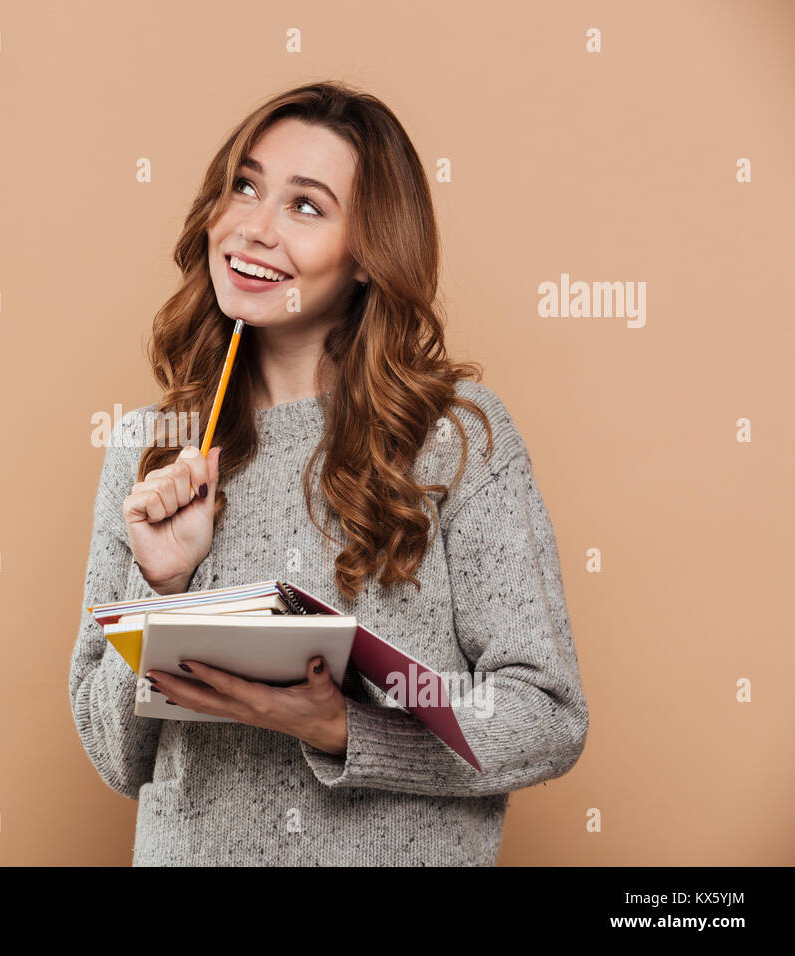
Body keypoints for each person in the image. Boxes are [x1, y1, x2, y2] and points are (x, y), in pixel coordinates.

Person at [69, 81, 589, 866]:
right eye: (244, 186)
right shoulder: (152, 445)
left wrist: (345, 728)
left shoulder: (453, 439)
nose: (253, 228)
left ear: (368, 257)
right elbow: (117, 760)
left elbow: (545, 715)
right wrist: (162, 585)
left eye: (306, 207)